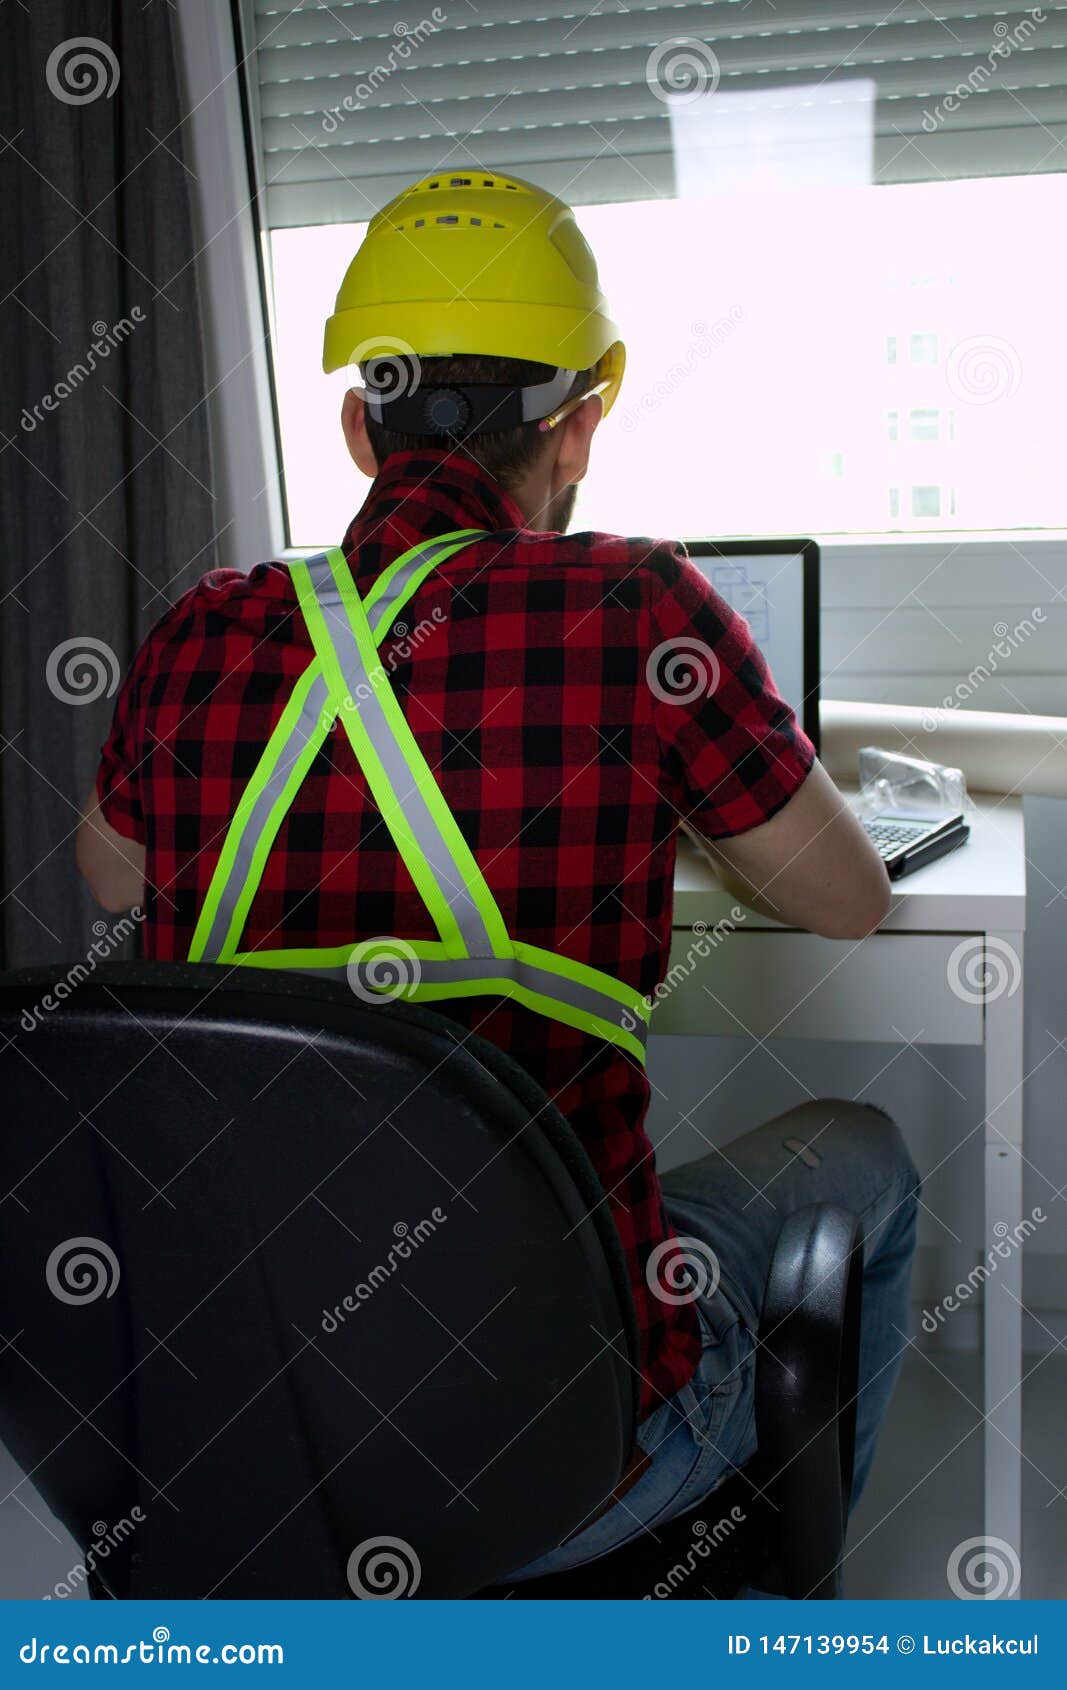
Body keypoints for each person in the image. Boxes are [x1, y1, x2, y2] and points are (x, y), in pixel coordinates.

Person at [76, 172, 919, 1589]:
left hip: (233, 1443)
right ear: (581, 422)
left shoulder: (201, 626)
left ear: (358, 425)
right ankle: (778, 1601)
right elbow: (848, 901)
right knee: (864, 1148)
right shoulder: (641, 606)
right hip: (555, 1450)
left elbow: (110, 879)